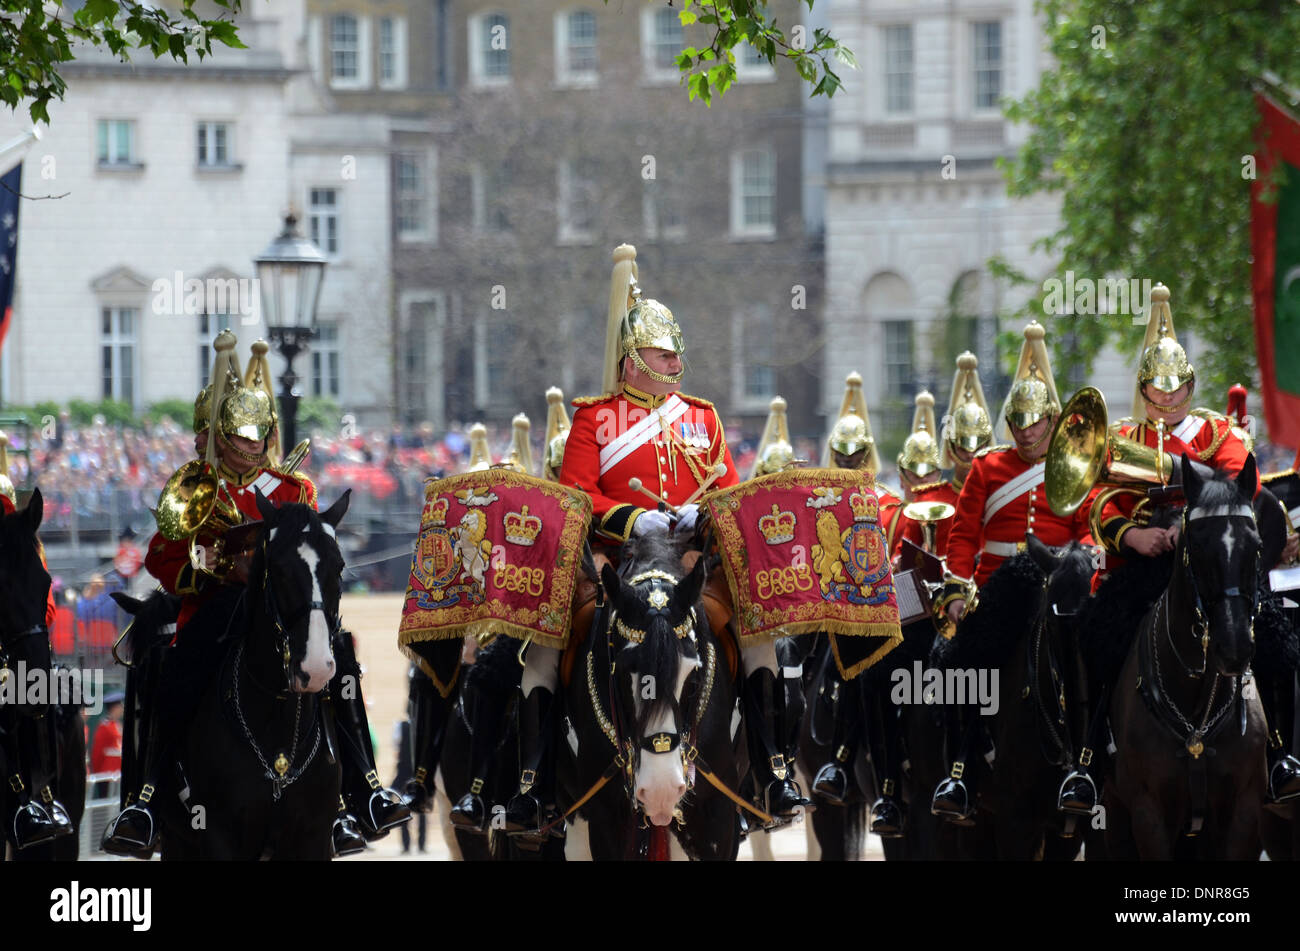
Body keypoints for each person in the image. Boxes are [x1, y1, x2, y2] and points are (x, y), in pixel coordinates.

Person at [103, 331, 409, 856]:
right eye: (241, 435)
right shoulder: (199, 486)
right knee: (179, 671)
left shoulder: (292, 491)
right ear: (220, 436)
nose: (251, 444)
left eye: (258, 434)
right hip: (220, 605)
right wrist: (218, 567)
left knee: (343, 667)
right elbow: (161, 556)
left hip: (284, 608)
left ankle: (364, 791)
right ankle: (148, 799)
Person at [544, 244, 806, 829]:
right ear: (632, 358)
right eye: (661, 356)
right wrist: (636, 521)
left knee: (763, 641)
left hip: (692, 566)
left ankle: (772, 771)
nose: (672, 365)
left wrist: (700, 517)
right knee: (545, 647)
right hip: (617, 565)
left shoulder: (702, 416)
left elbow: (729, 495)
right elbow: (578, 496)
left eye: (673, 354)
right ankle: (535, 786)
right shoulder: (593, 417)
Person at [1092, 285, 1298, 802]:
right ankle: (1090, 757)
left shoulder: (1219, 433)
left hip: (1211, 564)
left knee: (1274, 637)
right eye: (1157, 392)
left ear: (1190, 386)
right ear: (1143, 389)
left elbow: (1234, 485)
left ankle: (1278, 754)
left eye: (1177, 390)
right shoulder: (1120, 438)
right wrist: (1135, 535)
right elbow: (1101, 502)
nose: (1167, 401)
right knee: (1096, 635)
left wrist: (1192, 519)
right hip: (1147, 565)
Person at [931, 320, 1098, 823]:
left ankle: (1089, 759)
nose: (1026, 432)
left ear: (1053, 419)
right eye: (1018, 422)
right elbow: (962, 534)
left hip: (1056, 582)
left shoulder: (1072, 466)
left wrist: (1080, 560)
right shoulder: (987, 467)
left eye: (1035, 422)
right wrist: (958, 588)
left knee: (1093, 658)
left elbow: (1087, 529)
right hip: (997, 586)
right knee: (957, 663)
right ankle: (961, 769)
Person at [805, 375, 904, 835]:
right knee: (784, 668)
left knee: (867, 674)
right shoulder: (817, 504)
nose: (847, 463)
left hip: (878, 618)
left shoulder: (889, 504)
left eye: (856, 456)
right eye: (841, 456)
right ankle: (773, 771)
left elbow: (898, 561)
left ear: (868, 455)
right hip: (828, 613)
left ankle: (862, 772)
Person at [0, 434, 72, 849]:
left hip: (12, 648)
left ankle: (40, 794)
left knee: (37, 693)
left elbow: (39, 601)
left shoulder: (21, 543)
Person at [897, 354, 994, 558]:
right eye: (963, 447)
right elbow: (903, 560)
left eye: (976, 447)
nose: (969, 454)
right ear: (950, 449)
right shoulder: (928, 498)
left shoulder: (1001, 494)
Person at [90, 692, 125, 797]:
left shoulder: (117, 725)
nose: (122, 708)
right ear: (114, 708)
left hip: (117, 775)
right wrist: (98, 772)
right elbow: (97, 752)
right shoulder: (104, 726)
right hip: (107, 775)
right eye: (120, 706)